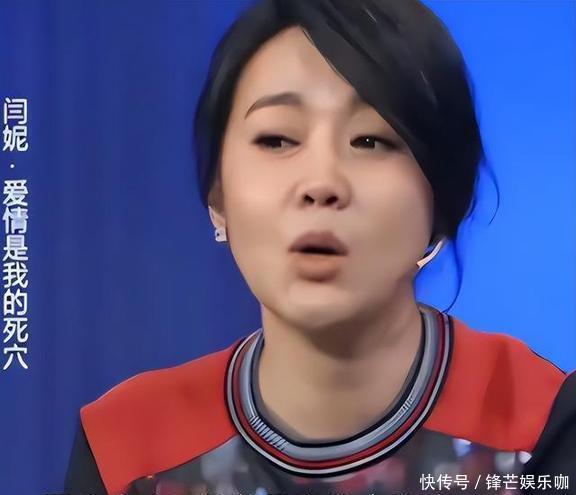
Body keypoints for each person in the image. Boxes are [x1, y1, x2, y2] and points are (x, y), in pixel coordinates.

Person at [64, 0, 576, 494]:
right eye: (277, 139)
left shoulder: (538, 425)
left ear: (442, 201)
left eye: (371, 140)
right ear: (218, 196)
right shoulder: (129, 452)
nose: (322, 182)